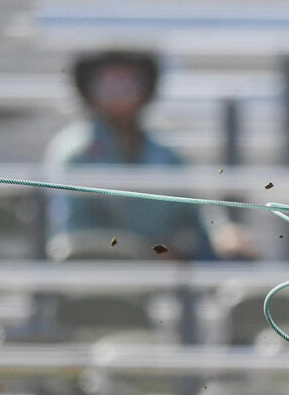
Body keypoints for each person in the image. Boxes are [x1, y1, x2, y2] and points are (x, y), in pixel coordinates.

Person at [44, 48, 252, 259]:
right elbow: (76, 232)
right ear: (90, 90)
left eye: (128, 84)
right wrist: (147, 253)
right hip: (94, 271)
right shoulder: (73, 153)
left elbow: (193, 214)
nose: (119, 93)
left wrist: (221, 233)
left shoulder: (166, 151)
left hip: (161, 263)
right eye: (109, 85)